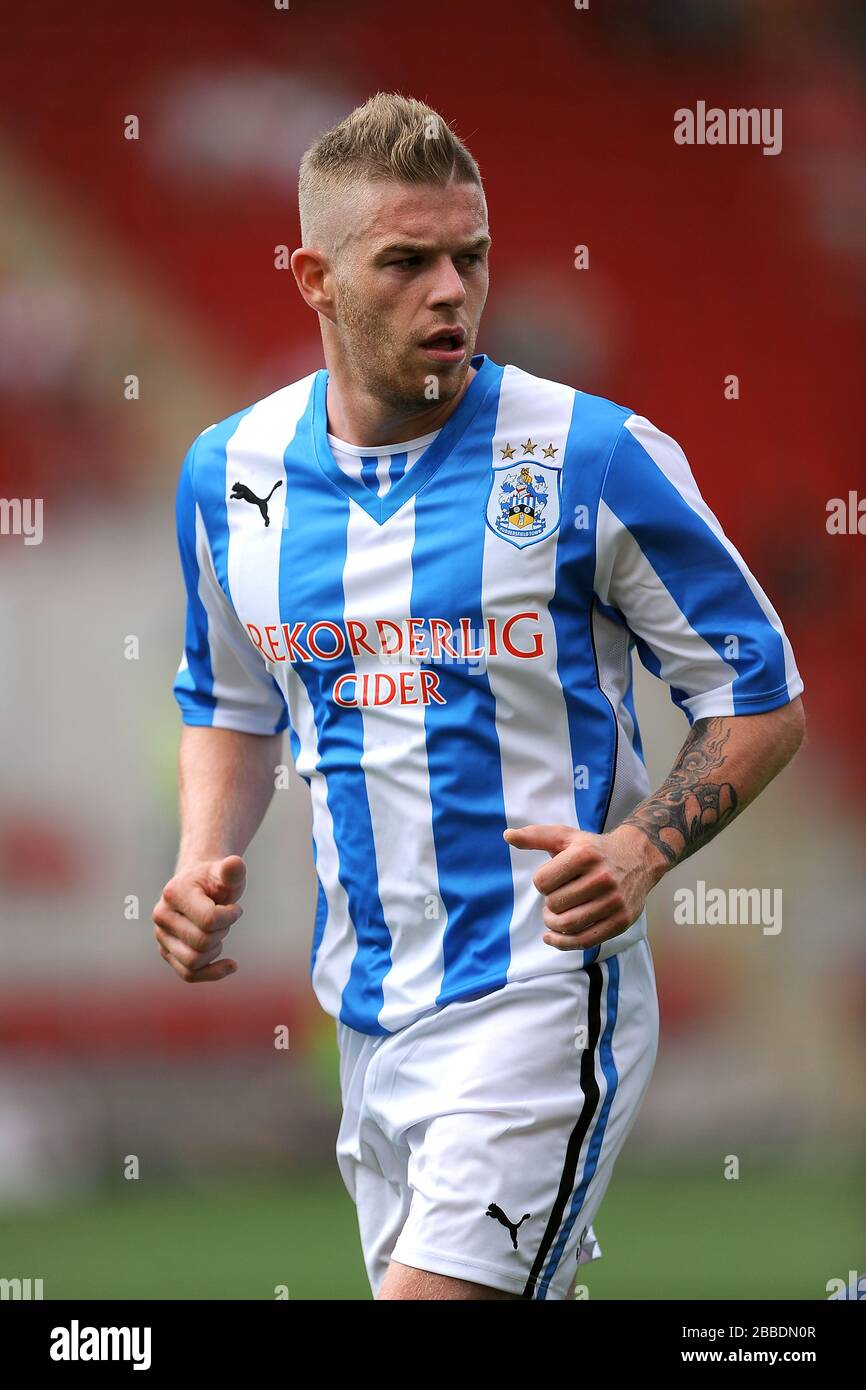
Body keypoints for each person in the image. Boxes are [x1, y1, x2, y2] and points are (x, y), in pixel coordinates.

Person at [152, 92, 805, 1301]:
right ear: (313, 277)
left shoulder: (592, 457)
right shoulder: (226, 475)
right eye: (406, 262)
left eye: (470, 256)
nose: (449, 290)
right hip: (369, 1024)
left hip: (538, 1002)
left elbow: (760, 697)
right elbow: (230, 698)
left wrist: (642, 848)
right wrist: (201, 857)